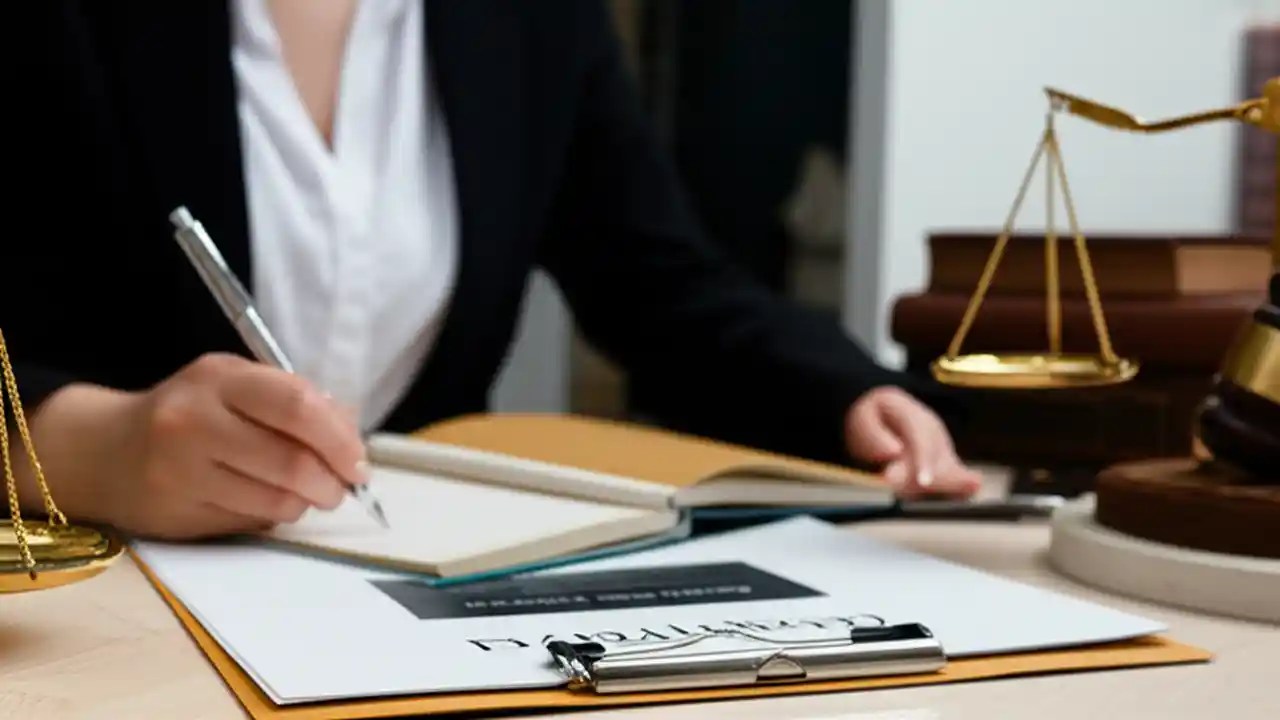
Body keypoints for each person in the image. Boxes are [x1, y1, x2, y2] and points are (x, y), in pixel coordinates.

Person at [2, 0, 980, 541]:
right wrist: (93, 449)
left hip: (396, 583)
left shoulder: (525, 21)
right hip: (94, 607)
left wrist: (838, 393)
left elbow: (658, 281)